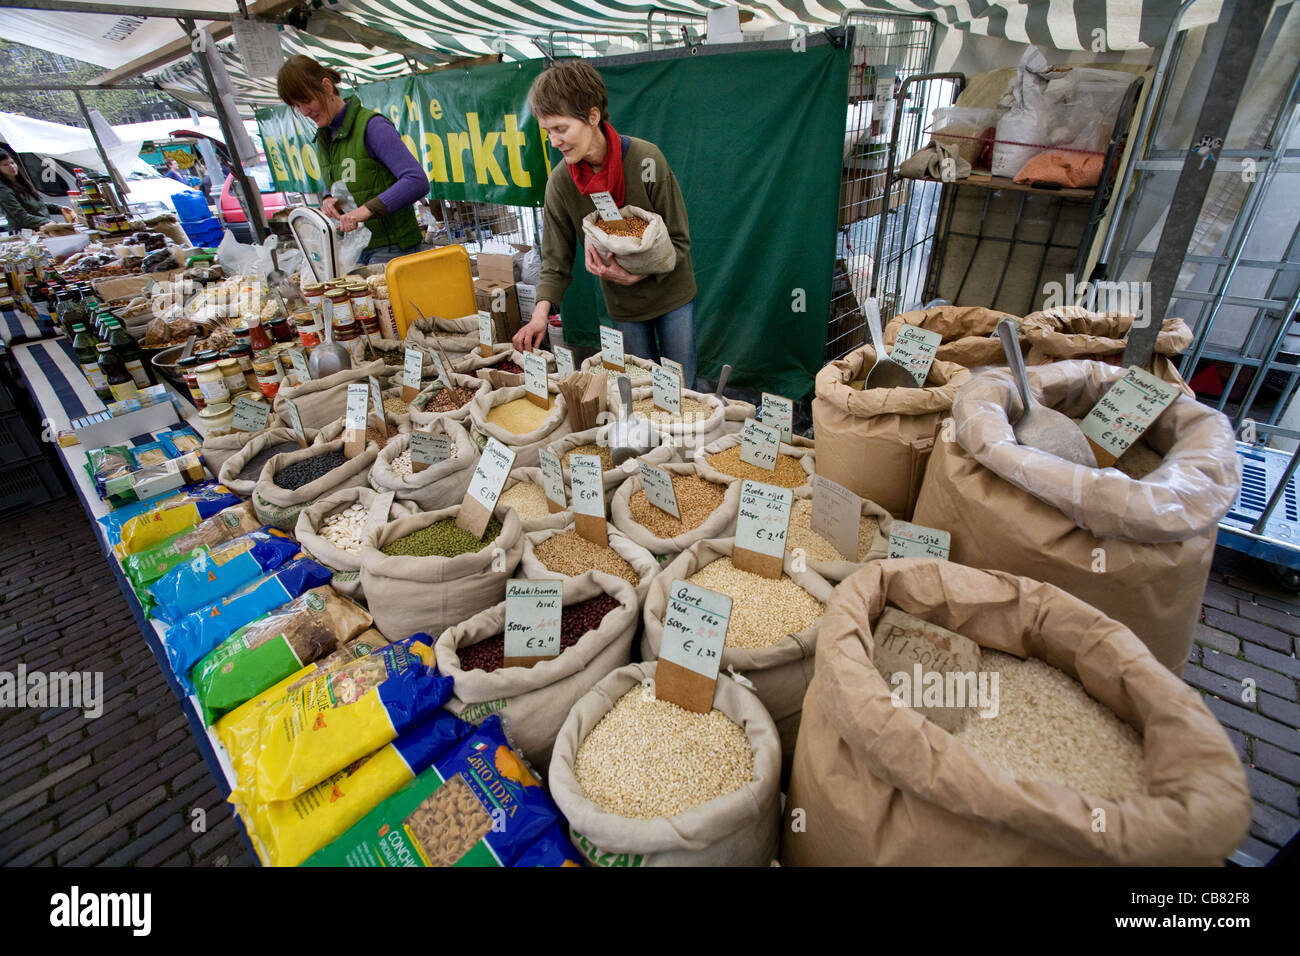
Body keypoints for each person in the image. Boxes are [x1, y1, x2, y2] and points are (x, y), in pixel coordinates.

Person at [512, 61, 698, 389]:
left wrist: (637, 273)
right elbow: (555, 262)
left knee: (681, 392)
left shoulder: (646, 160)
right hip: (623, 307)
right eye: (548, 132)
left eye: (561, 128)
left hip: (672, 297)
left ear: (593, 117)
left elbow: (680, 241)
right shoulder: (561, 184)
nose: (554, 141)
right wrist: (539, 313)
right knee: (641, 393)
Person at [276, 55, 428, 267]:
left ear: (327, 87)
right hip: (356, 248)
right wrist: (330, 198)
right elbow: (347, 182)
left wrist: (364, 211)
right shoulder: (324, 137)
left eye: (307, 101)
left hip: (393, 248)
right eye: (297, 106)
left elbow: (416, 180)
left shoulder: (372, 127)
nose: (304, 111)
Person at [0, 150, 65, 232]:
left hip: (41, 229)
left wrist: (61, 209)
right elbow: (21, 217)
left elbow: (36, 205)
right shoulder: (3, 190)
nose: (11, 166)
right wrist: (49, 222)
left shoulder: (21, 181)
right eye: (5, 165)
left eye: (12, 163)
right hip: (26, 233)